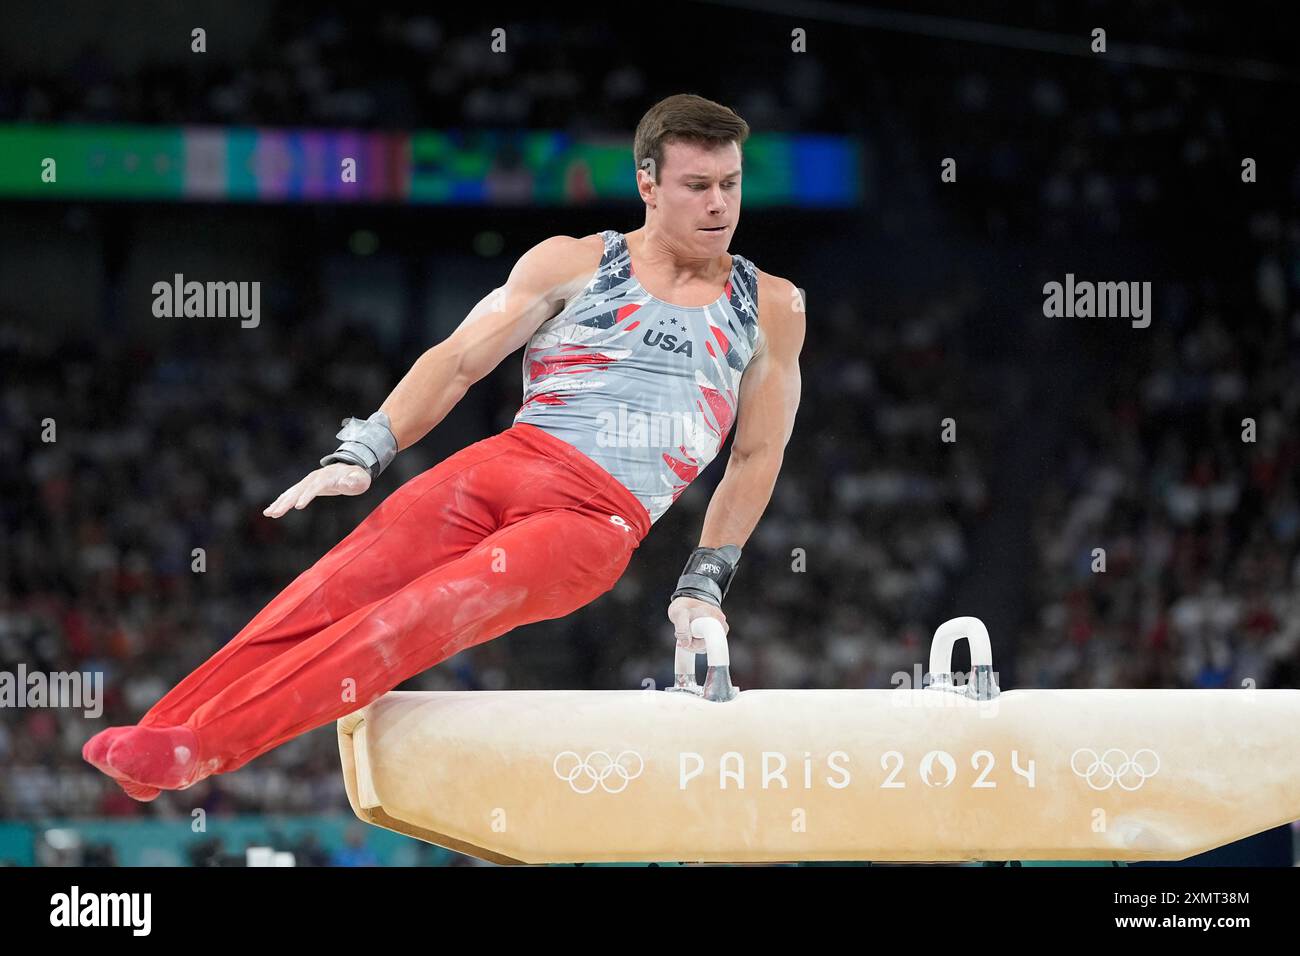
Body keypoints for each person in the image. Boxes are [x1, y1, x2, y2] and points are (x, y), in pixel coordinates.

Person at [82, 93, 806, 800]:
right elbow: (460, 358)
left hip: (593, 523)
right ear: (648, 183)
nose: (720, 204)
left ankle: (201, 750)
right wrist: (365, 450)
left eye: (731, 184)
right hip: (504, 463)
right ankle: (162, 731)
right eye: (698, 185)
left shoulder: (771, 305)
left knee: (409, 619)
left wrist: (701, 584)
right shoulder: (572, 263)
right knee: (324, 595)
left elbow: (756, 454)